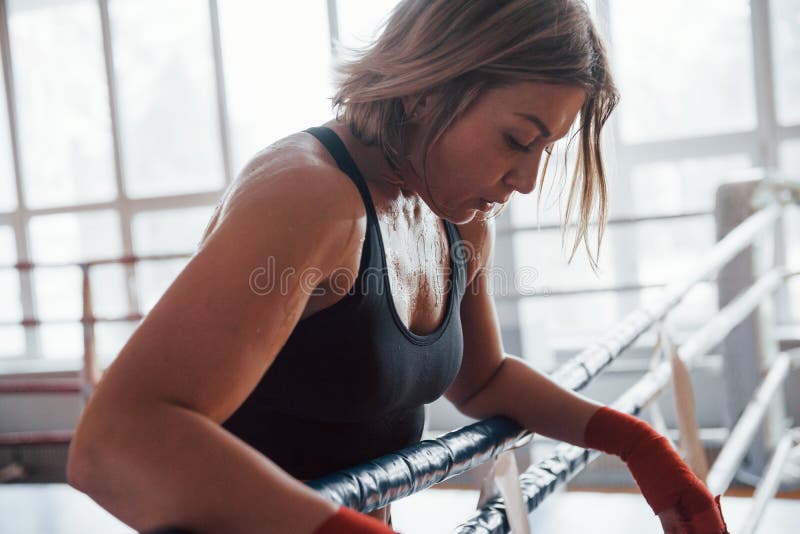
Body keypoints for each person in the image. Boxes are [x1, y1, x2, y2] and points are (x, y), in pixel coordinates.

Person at [66, 1, 728, 533]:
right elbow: (115, 443)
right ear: (425, 92)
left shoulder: (456, 218)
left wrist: (638, 444)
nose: (527, 180)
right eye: (516, 140)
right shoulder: (310, 197)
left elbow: (484, 380)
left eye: (544, 150)